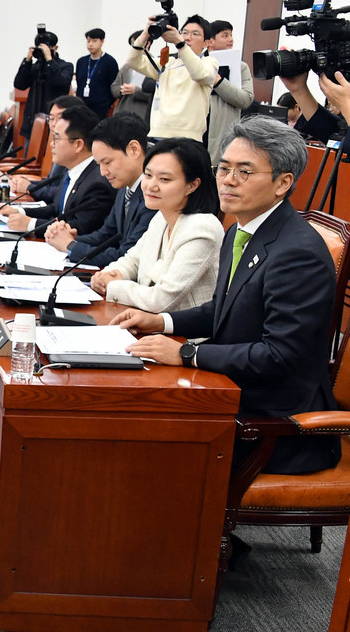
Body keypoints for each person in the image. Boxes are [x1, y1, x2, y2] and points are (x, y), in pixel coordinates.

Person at [115, 116, 338, 477]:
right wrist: (162, 321)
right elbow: (225, 308)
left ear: (284, 183)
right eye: (225, 168)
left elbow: (279, 355)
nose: (229, 180)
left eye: (245, 172)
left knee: (138, 434)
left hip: (273, 424)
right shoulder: (239, 230)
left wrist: (187, 352)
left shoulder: (298, 253)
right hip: (230, 393)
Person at [89, 137, 223, 312]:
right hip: (148, 324)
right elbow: (133, 260)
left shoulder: (203, 229)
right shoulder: (161, 217)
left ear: (192, 185)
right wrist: (109, 274)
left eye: (165, 179)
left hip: (184, 336)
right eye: (148, 175)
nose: (151, 186)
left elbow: (161, 300)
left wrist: (113, 287)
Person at [45, 113, 157, 268]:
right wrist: (70, 238)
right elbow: (105, 235)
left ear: (133, 150)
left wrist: (71, 246)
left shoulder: (154, 195)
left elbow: (125, 255)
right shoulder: (124, 185)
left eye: (107, 162)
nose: (103, 172)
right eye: (99, 164)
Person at [1, 106, 110, 235]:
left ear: (78, 145)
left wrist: (30, 224)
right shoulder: (71, 171)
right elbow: (57, 208)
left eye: (56, 138)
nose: (52, 144)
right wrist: (20, 212)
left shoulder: (97, 183)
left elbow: (78, 228)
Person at [125, 14, 218, 140]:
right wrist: (146, 33)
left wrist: (180, 43)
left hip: (188, 137)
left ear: (207, 43)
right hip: (157, 134)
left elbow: (199, 74)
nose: (187, 38)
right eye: (184, 33)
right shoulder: (167, 62)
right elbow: (133, 61)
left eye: (195, 34)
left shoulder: (209, 62)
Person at [204, 20, 255, 163]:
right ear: (210, 41)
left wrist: (219, 82)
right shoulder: (196, 64)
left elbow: (245, 99)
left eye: (231, 35)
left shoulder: (241, 67)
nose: (231, 39)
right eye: (225, 35)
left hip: (222, 137)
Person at [12, 29, 72, 142]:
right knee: (30, 157)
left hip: (53, 125)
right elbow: (19, 84)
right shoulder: (36, 67)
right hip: (32, 124)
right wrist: (27, 61)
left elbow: (60, 82)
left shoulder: (65, 66)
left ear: (56, 48)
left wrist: (49, 60)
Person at [111, 30, 155, 125]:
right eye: (132, 44)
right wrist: (121, 89)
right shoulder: (127, 66)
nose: (133, 47)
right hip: (122, 112)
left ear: (148, 43)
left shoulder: (155, 65)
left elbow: (157, 92)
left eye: (136, 43)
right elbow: (114, 86)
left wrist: (136, 90)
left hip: (142, 113)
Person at [75, 27, 119, 119]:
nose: (90, 44)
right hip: (81, 108)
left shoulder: (109, 62)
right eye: (88, 41)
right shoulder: (82, 61)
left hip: (100, 109)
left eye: (94, 41)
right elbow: (79, 84)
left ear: (102, 41)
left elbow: (113, 85)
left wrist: (106, 103)